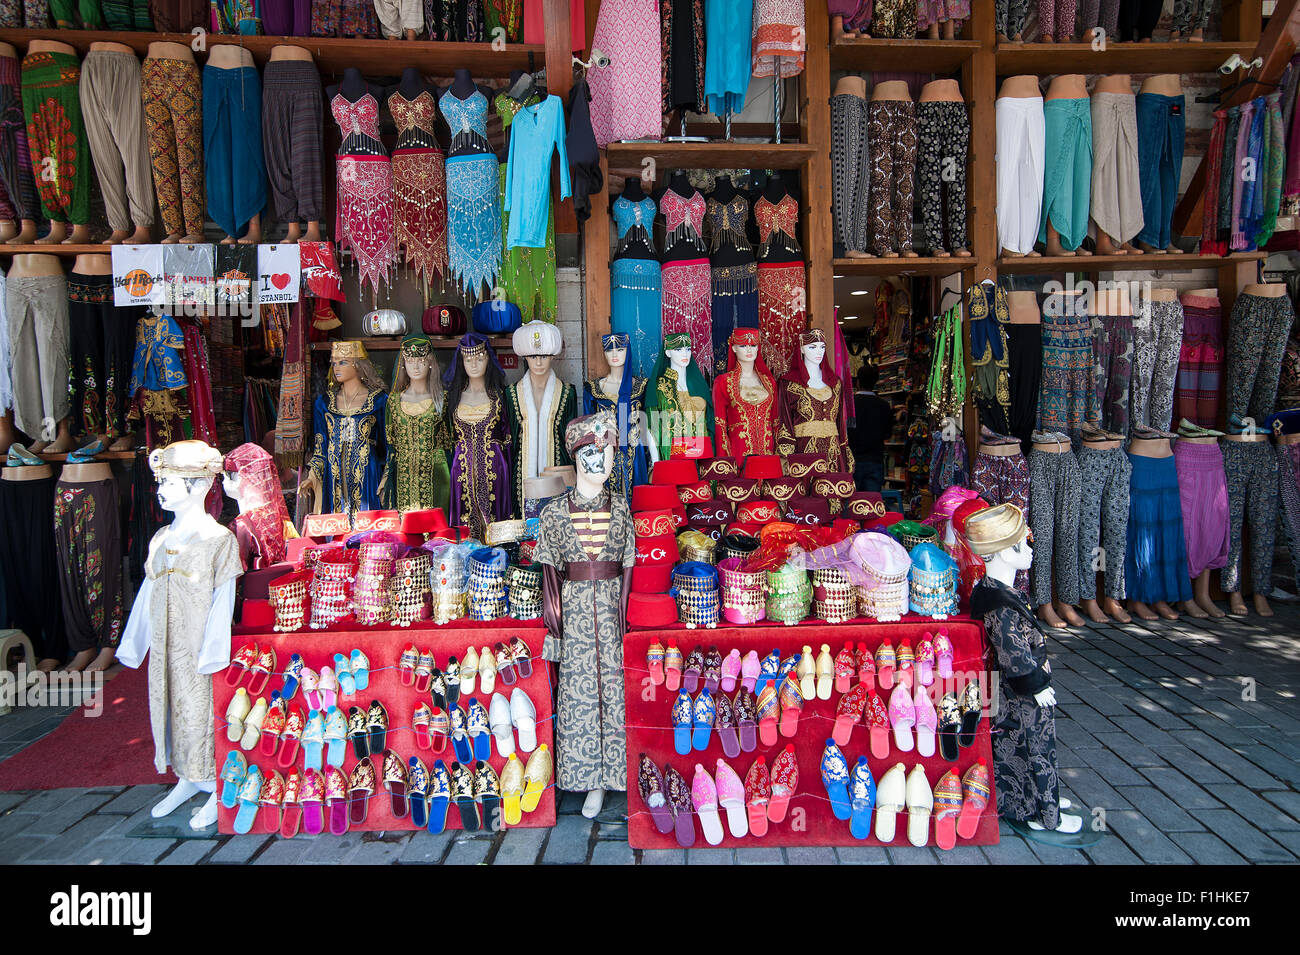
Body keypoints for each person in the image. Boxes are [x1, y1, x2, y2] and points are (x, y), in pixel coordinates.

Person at [850, 365, 893, 491]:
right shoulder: (884, 406)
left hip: (853, 459)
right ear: (875, 382)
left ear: (858, 382)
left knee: (851, 502)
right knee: (871, 503)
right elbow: (887, 434)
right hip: (875, 460)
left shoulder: (850, 404)